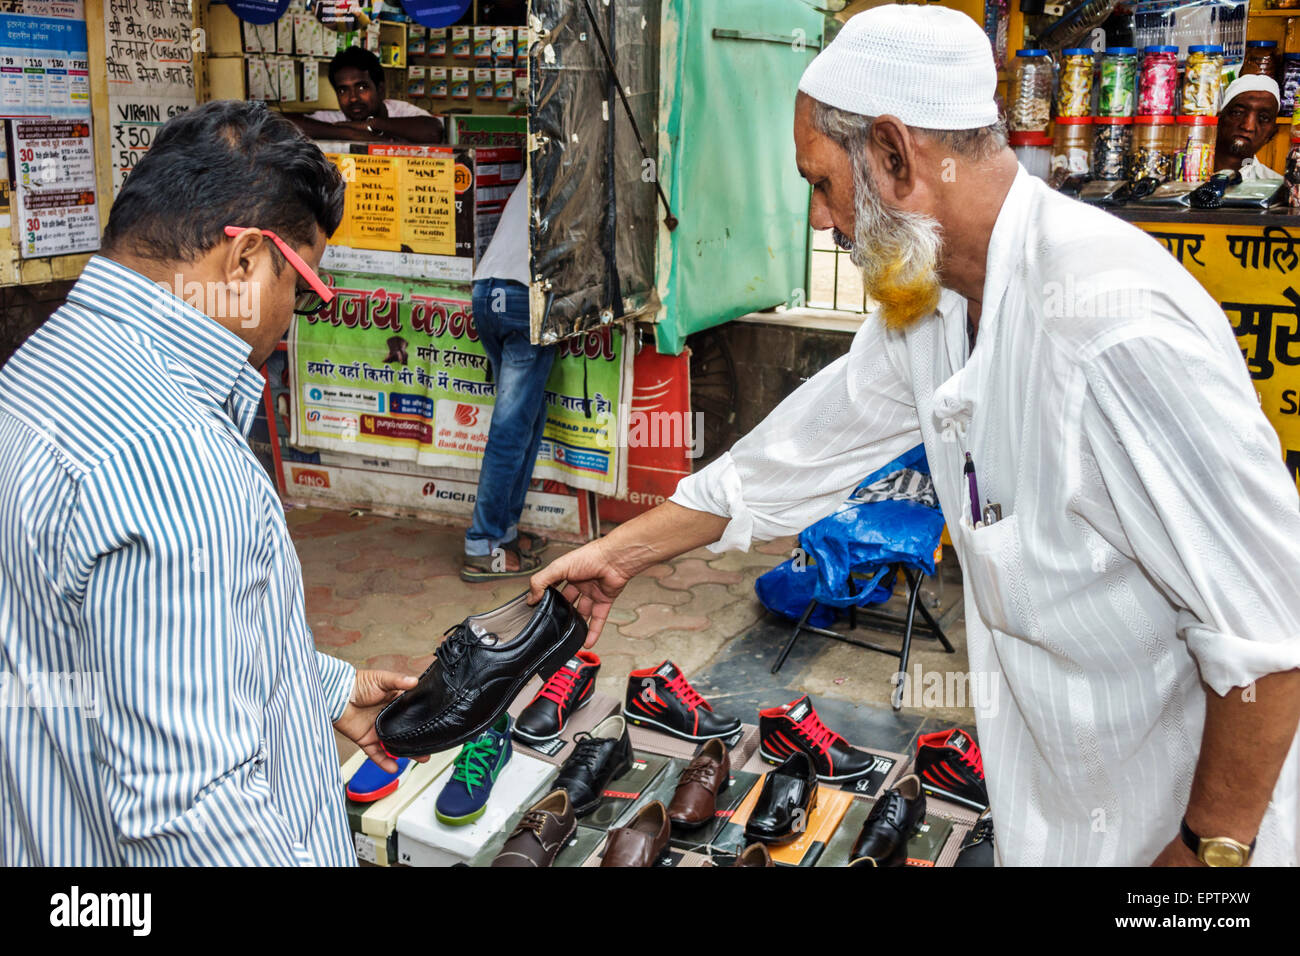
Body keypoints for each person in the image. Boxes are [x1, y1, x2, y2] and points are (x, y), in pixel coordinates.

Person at [531, 5, 1300, 867]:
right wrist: (622, 555)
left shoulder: (1113, 325)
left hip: (1187, 832)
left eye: (821, 183)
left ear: (896, 156)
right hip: (1056, 809)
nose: (822, 221)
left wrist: (1201, 857)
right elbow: (800, 448)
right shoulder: (934, 303)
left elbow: (1272, 639)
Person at [0, 100, 423, 865]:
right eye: (304, 285)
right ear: (245, 261)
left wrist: (315, 688)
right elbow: (193, 809)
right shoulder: (172, 458)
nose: (294, 314)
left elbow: (82, 654)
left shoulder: (38, 373)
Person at [461, 180, 555, 581]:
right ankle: (483, 545)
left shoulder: (543, 162)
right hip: (526, 295)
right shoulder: (581, 171)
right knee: (512, 427)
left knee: (525, 421)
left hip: (487, 290)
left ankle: (505, 534)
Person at [286, 46, 444, 144]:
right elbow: (278, 124)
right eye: (343, 90)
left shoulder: (401, 111)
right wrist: (350, 133)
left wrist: (372, 125)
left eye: (362, 87)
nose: (353, 97)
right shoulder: (336, 121)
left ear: (380, 89)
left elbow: (433, 131)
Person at [1215, 74, 1283, 181]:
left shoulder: (1278, 190)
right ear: (1218, 119)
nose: (1248, 127)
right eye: (1238, 113)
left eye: (1264, 118)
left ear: (1272, 133)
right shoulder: (1181, 174)